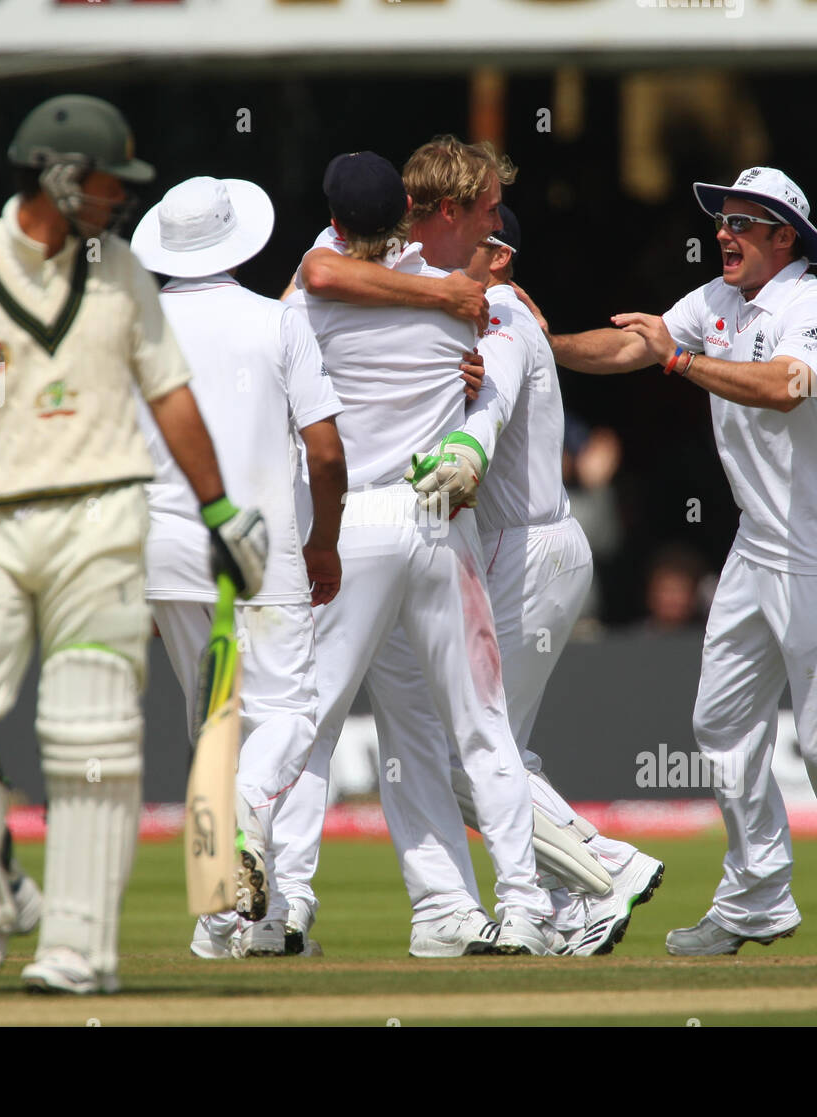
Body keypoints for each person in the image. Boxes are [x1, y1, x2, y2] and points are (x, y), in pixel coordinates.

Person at [0, 95, 268, 993]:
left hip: (104, 521)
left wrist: (223, 512)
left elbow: (171, 396)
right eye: (112, 181)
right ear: (67, 178)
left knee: (93, 734)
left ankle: (78, 947)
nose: (121, 199)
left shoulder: (123, 278)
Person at [538, 167, 817, 956]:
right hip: (759, 543)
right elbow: (629, 346)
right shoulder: (715, 301)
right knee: (719, 722)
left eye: (744, 222)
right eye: (723, 219)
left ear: (785, 237)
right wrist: (534, 345)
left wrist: (678, 363)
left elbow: (786, 387)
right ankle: (756, 897)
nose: (724, 231)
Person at [289, 144, 662, 957]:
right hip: (465, 538)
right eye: (492, 212)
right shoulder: (410, 277)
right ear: (452, 218)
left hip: (509, 543)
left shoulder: (498, 306)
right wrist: (444, 298)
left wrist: (463, 441)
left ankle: (599, 872)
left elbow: (486, 403)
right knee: (430, 737)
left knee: (466, 743)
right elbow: (315, 280)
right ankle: (456, 908)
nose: (502, 229)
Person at [276, 151, 557, 955]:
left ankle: (286, 904)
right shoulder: (463, 300)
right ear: (408, 207)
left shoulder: (310, 299)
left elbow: (316, 280)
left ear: (334, 216)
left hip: (349, 522)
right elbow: (489, 347)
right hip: (437, 522)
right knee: (483, 729)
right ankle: (523, 908)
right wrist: (455, 300)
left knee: (309, 725)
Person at [128, 175, 347, 958]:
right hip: (258, 543)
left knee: (216, 725)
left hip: (163, 547)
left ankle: (229, 921)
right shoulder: (275, 322)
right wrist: (325, 541)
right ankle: (248, 820)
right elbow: (324, 451)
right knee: (287, 714)